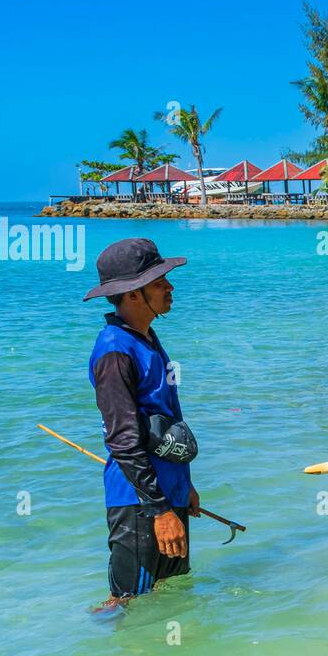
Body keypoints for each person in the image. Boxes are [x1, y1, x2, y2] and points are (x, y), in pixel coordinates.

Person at [84, 238, 200, 604]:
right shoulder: (115, 351)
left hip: (169, 494)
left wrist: (185, 487)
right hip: (140, 504)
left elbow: (166, 420)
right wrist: (160, 510)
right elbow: (122, 440)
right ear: (133, 294)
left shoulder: (146, 338)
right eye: (159, 282)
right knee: (125, 604)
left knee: (170, 596)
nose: (170, 287)